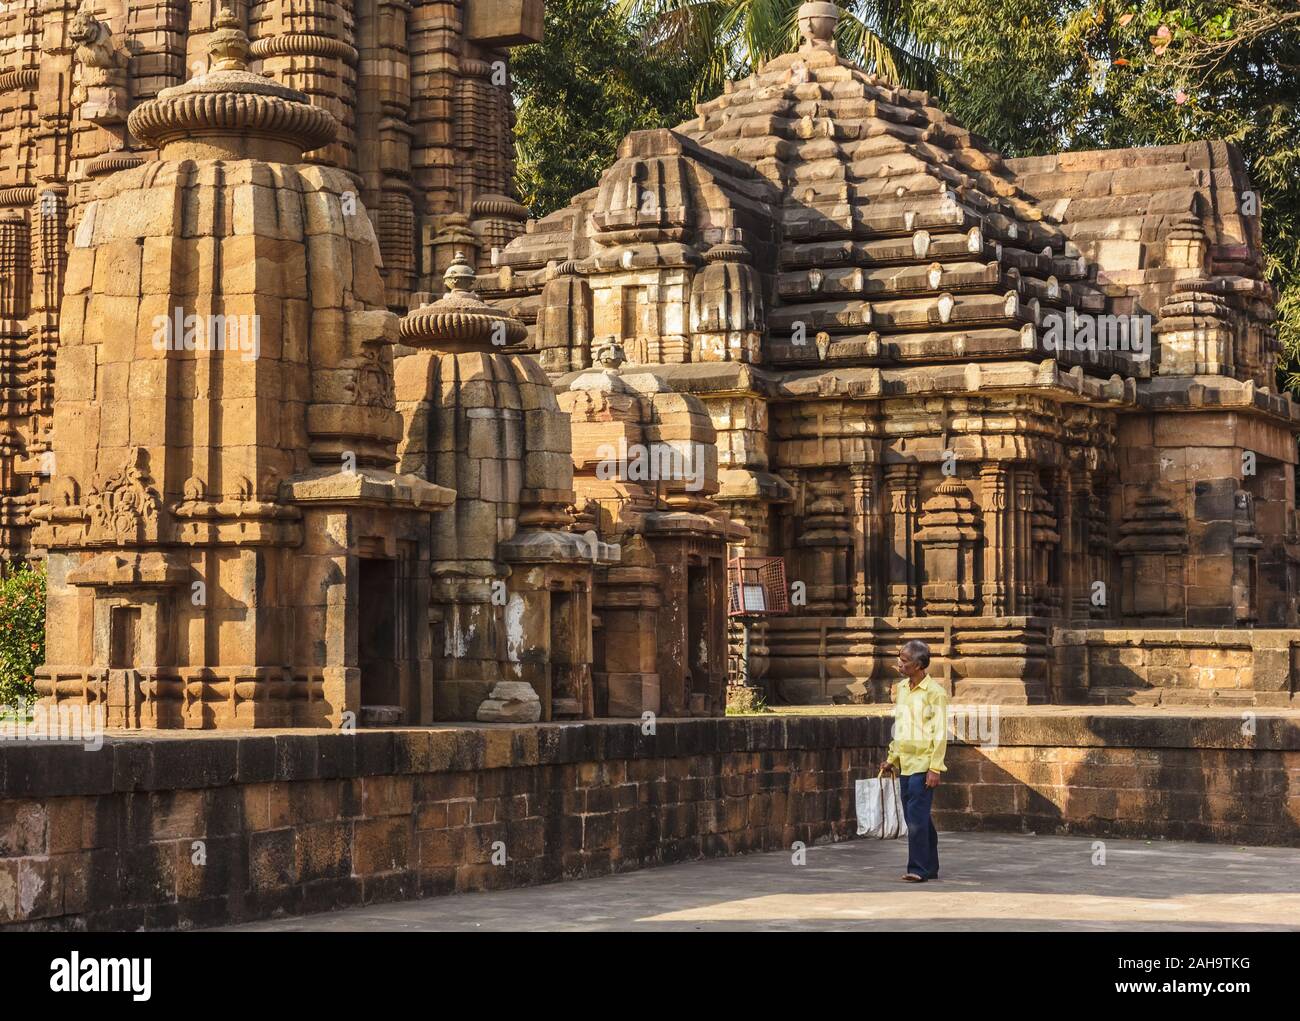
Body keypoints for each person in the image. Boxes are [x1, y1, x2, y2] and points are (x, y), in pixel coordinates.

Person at [879, 639, 948, 882]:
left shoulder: (935, 693)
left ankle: (917, 869)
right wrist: (891, 757)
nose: (899, 663)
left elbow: (939, 732)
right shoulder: (902, 689)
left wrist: (935, 768)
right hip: (905, 762)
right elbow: (900, 727)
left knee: (916, 819)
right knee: (916, 817)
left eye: (905, 660)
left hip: (924, 763)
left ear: (919, 665)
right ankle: (931, 865)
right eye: (900, 658)